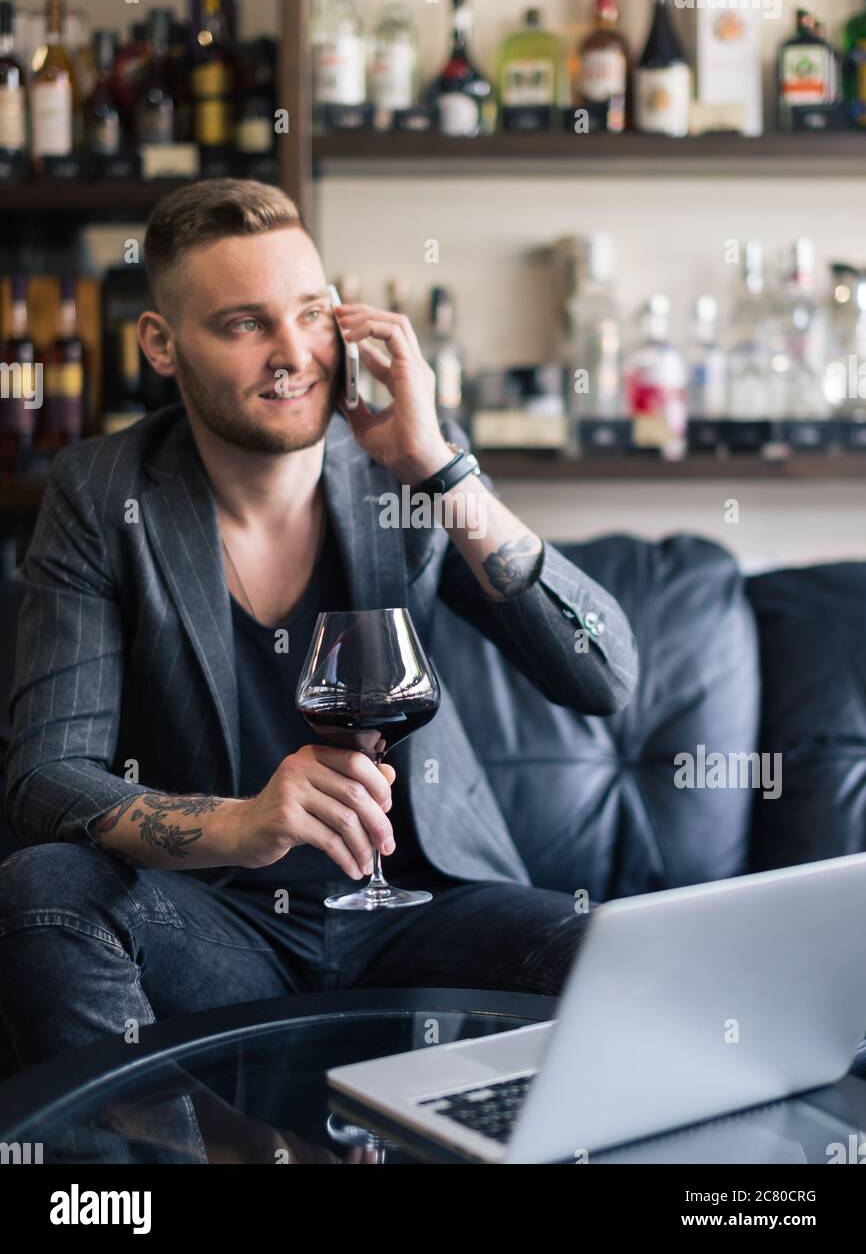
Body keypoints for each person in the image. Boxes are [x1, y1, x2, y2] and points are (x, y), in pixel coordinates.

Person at [0, 179, 639, 1100]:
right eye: (243, 325)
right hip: (223, 923)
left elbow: (606, 675)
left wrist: (441, 467)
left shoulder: (410, 467)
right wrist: (238, 824)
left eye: (310, 312)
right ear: (161, 345)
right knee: (40, 894)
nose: (294, 355)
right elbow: (44, 778)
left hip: (428, 908)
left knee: (622, 956)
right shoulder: (103, 495)